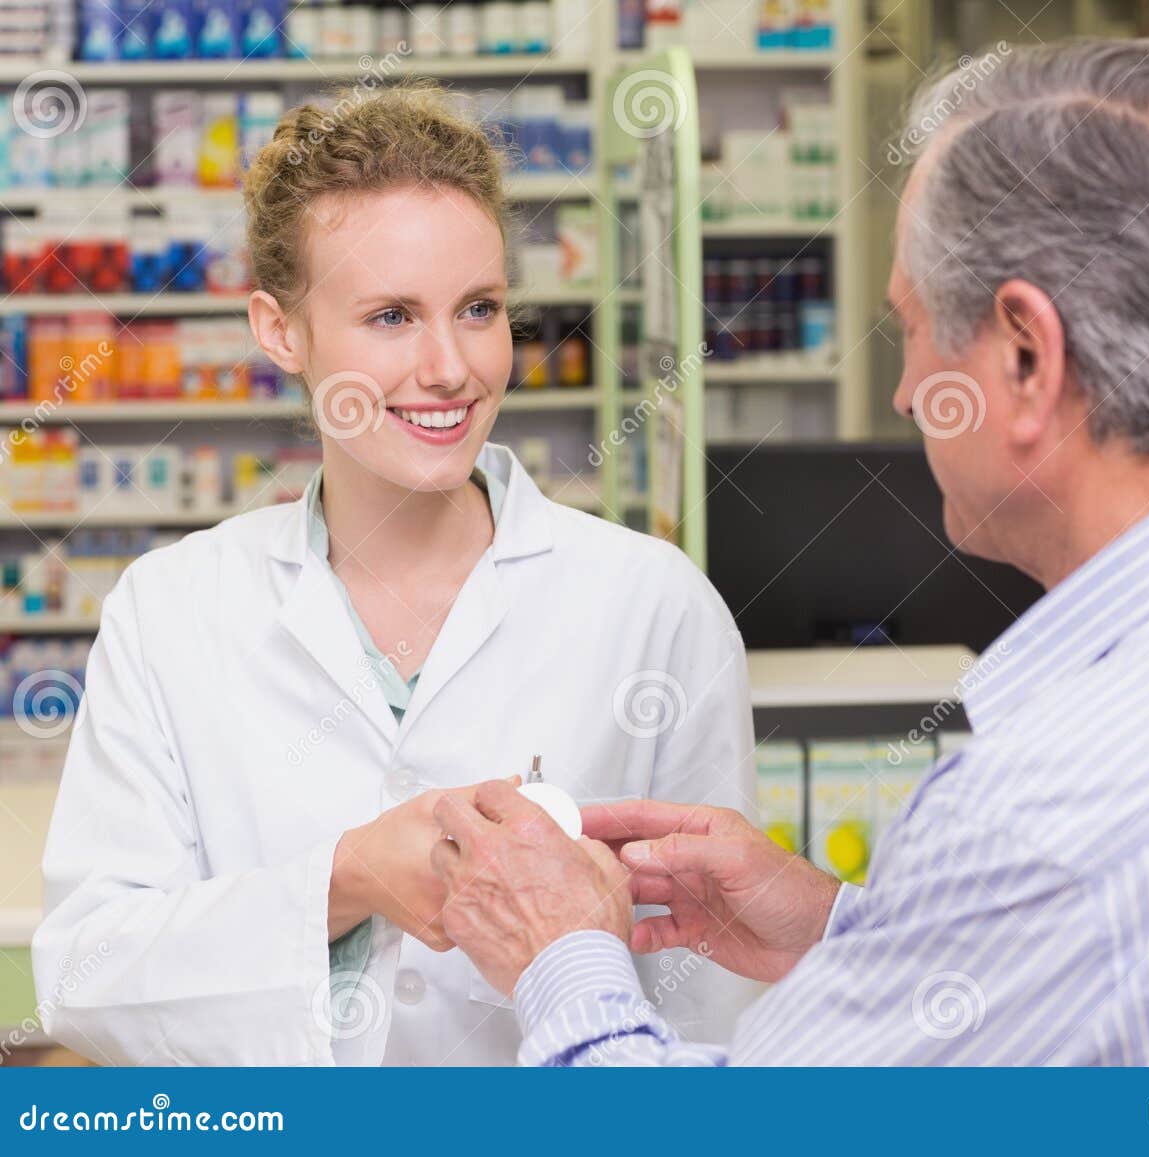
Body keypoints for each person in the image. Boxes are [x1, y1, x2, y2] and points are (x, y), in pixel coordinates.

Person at [430, 40, 1149, 1065]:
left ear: (1024, 356)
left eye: (915, 329)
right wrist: (845, 928)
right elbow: (1144, 990)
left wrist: (559, 951)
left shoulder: (1058, 804)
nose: (903, 389)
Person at [31, 81, 757, 1066]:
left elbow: (711, 991)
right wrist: (347, 876)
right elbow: (87, 975)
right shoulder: (172, 610)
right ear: (279, 328)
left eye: (480, 308)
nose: (451, 365)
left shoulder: (652, 602)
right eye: (389, 316)